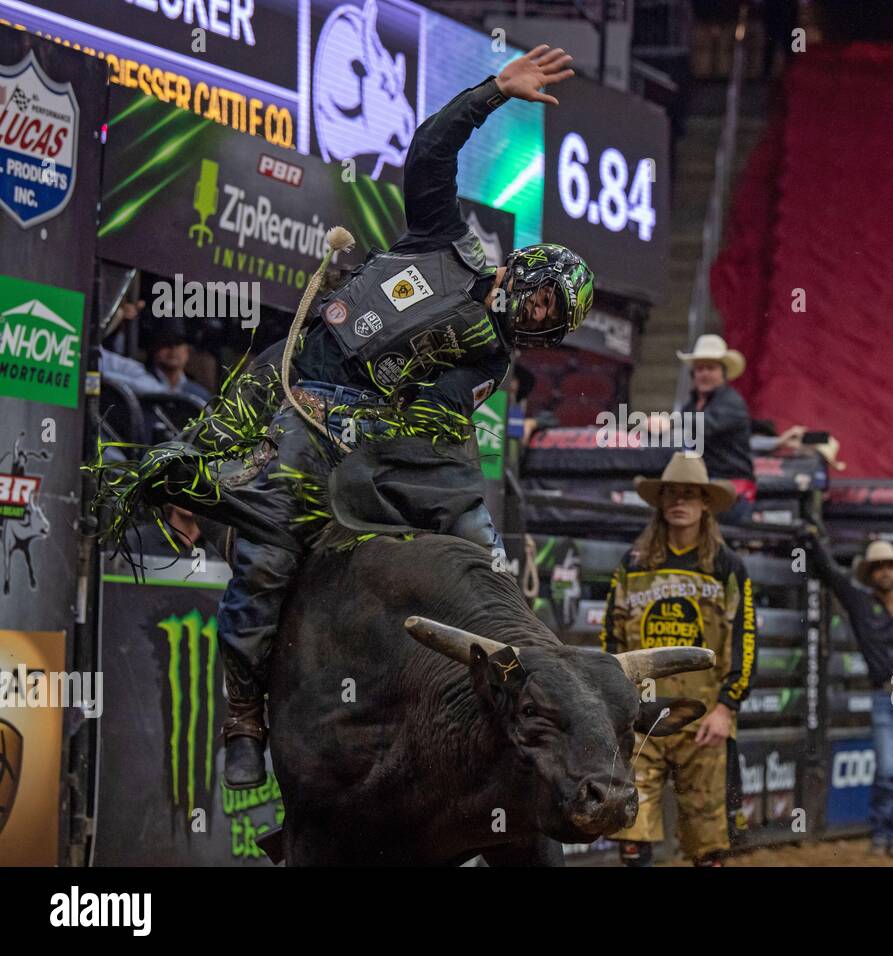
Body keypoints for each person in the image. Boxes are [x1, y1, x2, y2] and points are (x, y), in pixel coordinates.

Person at [97, 46, 594, 789]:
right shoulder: (444, 241)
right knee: (249, 536)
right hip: (286, 377)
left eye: (554, 321)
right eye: (548, 300)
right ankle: (242, 715)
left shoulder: (490, 360)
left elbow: (433, 421)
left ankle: (525, 686)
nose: (541, 316)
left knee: (475, 549)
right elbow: (430, 151)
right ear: (530, 271)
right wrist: (494, 90)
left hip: (354, 435)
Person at [600, 453, 756, 867]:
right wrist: (616, 703)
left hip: (705, 718)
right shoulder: (631, 564)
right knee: (630, 832)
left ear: (705, 503)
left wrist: (727, 708)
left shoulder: (728, 567)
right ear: (660, 502)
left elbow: (746, 641)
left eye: (689, 494)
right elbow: (610, 638)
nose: (678, 502)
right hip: (641, 715)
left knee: (709, 840)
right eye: (670, 493)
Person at [803, 526, 893, 857]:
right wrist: (812, 539)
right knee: (890, 769)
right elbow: (832, 574)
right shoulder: (861, 603)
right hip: (886, 693)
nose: (886, 572)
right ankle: (883, 832)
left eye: (890, 566)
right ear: (872, 573)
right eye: (879, 567)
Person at [674, 334, 755, 524]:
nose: (704, 374)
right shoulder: (691, 406)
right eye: (700, 368)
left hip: (729, 490)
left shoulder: (731, 402)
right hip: (700, 487)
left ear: (723, 374)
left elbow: (706, 424)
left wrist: (670, 422)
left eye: (711, 368)